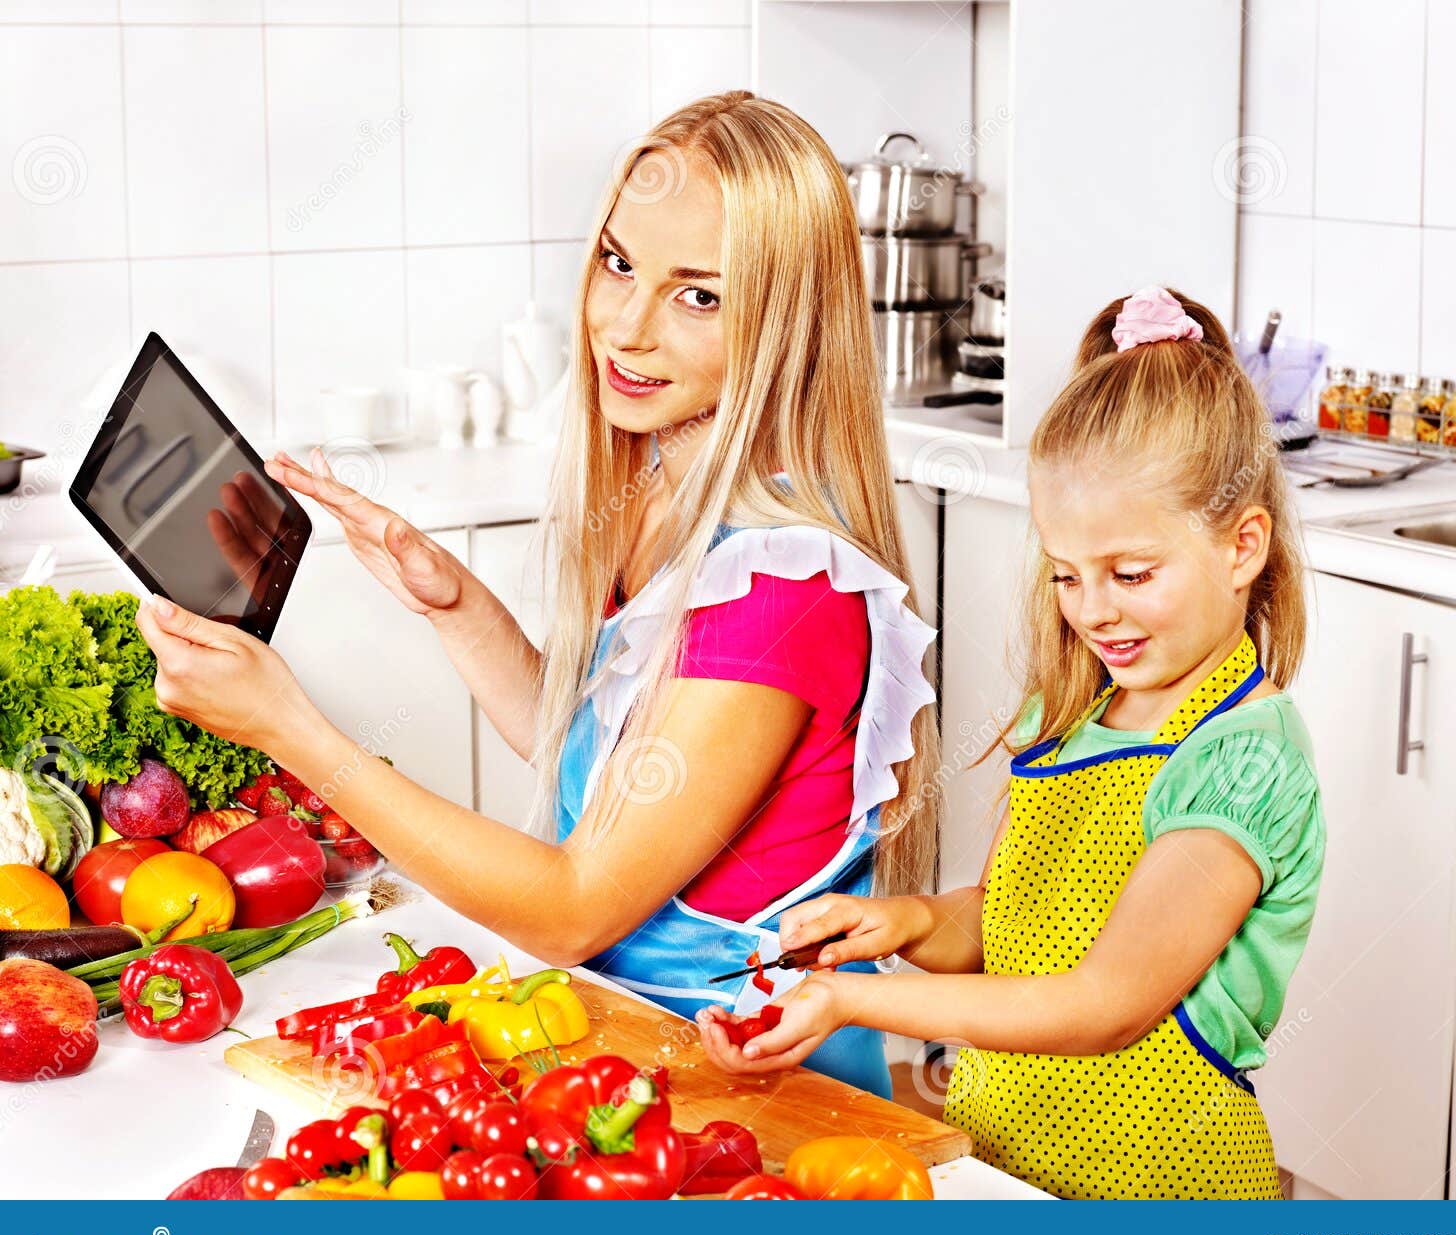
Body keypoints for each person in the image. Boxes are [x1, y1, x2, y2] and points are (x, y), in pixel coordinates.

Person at [135, 92, 939, 1098]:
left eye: (698, 297)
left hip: (766, 1104)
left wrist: (293, 733)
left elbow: (573, 908)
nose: (626, 329)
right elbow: (603, 771)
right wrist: (454, 607)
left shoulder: (782, 588)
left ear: (789, 325)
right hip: (631, 1062)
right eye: (618, 264)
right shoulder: (668, 497)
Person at [698, 286, 1326, 1197]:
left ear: (1243, 547)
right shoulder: (1066, 715)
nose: (1093, 611)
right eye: (1067, 575)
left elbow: (1104, 1005)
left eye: (1131, 574)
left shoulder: (1243, 762)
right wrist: (909, 923)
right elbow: (1006, 925)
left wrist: (853, 1000)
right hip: (1001, 1166)